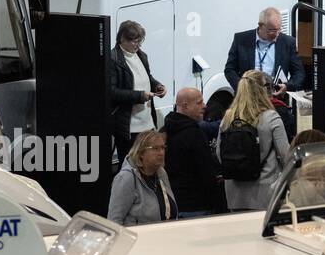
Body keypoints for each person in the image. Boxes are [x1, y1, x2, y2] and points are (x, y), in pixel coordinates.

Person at [216, 70, 289, 211]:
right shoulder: (271, 117)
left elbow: (220, 154)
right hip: (265, 192)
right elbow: (286, 156)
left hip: (234, 194)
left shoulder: (228, 117)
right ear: (263, 89)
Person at [108, 19, 165, 163]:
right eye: (134, 41)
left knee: (149, 163)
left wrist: (157, 86)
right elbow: (112, 92)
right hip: (128, 127)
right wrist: (140, 96)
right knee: (130, 167)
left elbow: (147, 77)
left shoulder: (141, 55)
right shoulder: (112, 59)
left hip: (147, 122)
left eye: (140, 41)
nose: (138, 45)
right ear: (122, 39)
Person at [161, 87, 221, 218]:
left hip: (174, 206)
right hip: (198, 206)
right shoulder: (194, 134)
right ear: (185, 106)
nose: (204, 106)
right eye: (199, 103)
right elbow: (206, 172)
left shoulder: (165, 130)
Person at [225, 7, 305, 93]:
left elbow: (299, 73)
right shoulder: (241, 39)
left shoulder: (288, 42)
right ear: (260, 25)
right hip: (247, 97)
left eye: (279, 29)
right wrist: (242, 88)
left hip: (275, 97)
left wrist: (287, 86)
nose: (277, 34)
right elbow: (230, 69)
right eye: (273, 30)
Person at [107, 130, 178, 226]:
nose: (161, 153)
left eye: (163, 147)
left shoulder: (161, 173)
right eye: (155, 148)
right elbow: (114, 221)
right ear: (141, 153)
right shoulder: (126, 178)